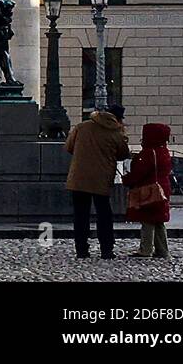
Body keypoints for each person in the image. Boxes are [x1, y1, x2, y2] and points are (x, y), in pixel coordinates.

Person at [65, 103, 130, 259]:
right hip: (102, 178)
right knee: (104, 215)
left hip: (79, 177)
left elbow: (69, 147)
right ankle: (106, 250)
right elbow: (123, 154)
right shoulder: (116, 133)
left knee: (80, 215)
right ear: (118, 118)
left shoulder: (82, 126)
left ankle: (81, 250)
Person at [123, 123, 173, 259]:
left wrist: (127, 179)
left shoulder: (149, 153)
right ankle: (163, 250)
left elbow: (139, 172)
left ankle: (145, 249)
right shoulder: (164, 151)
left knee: (147, 220)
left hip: (149, 189)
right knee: (158, 220)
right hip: (162, 188)